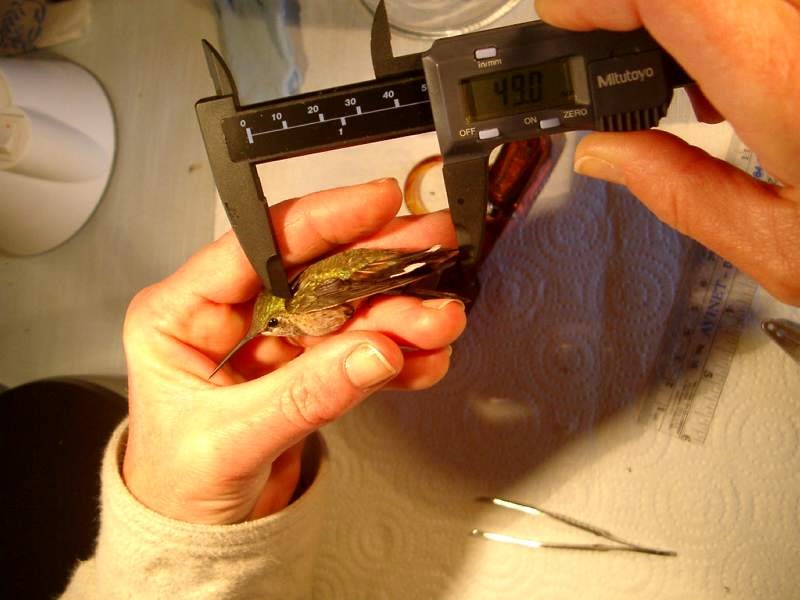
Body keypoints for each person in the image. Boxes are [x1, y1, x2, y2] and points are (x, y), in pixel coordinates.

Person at [62, 0, 799, 597]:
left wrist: (174, 546)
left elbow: (379, 276)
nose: (285, 324)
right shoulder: (300, 317)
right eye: (282, 318)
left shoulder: (322, 293)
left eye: (283, 314)